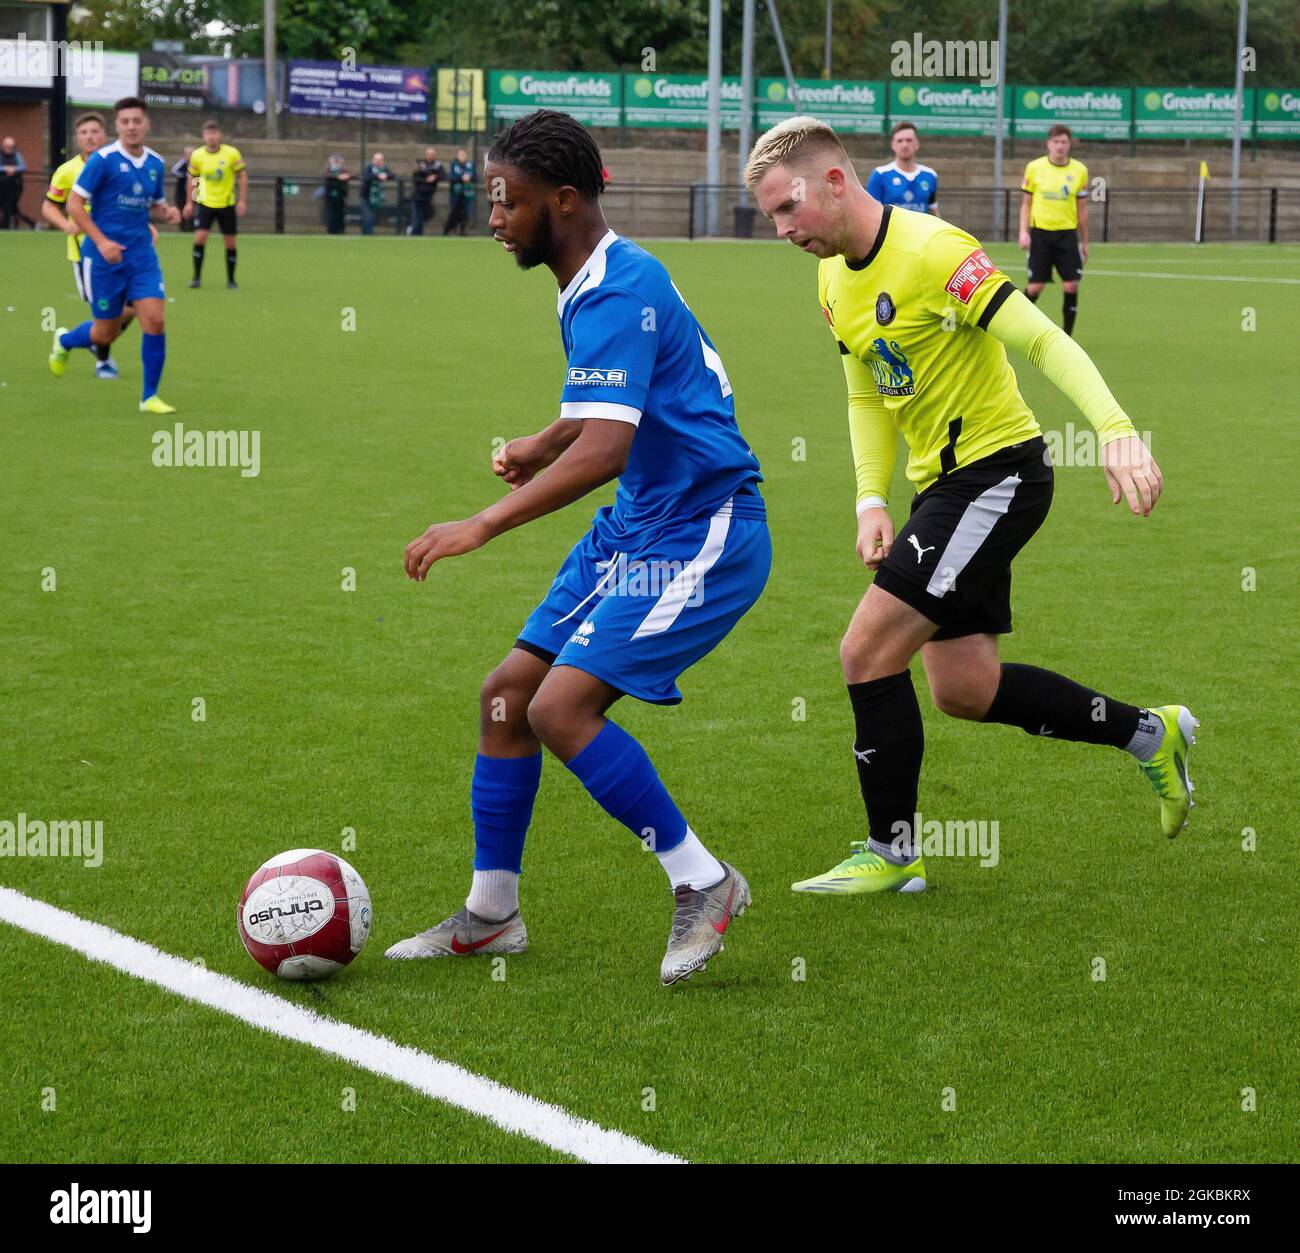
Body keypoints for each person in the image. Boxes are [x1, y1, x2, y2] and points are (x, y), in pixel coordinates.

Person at [744, 115, 1195, 896]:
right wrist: (870, 498)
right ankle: (1152, 735)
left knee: (864, 650)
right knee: (966, 689)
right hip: (941, 486)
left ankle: (893, 854)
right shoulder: (831, 279)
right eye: (771, 215)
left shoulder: (934, 250)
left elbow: (1042, 339)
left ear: (835, 182)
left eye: (788, 207)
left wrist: (1117, 431)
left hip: (998, 474)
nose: (782, 229)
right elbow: (866, 390)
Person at [387, 110, 770, 986]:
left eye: (508, 201)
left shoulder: (617, 289)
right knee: (508, 698)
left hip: (702, 526)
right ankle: (492, 914)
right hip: (642, 522)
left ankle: (703, 880)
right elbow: (612, 407)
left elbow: (608, 449)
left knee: (559, 709)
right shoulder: (595, 277)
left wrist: (481, 524)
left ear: (563, 200)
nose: (494, 218)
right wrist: (544, 438)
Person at [48, 96, 182, 414]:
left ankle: (149, 397)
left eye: (137, 121)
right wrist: (102, 241)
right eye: (125, 122)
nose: (131, 127)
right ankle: (65, 340)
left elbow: (154, 205)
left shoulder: (154, 163)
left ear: (146, 124)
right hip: (103, 258)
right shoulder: (103, 160)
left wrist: (167, 213)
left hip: (141, 257)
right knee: (105, 333)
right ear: (117, 126)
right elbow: (74, 206)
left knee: (155, 320)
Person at [42, 111, 142, 379]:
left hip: (122, 250)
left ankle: (72, 340)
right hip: (86, 255)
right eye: (84, 132)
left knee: (132, 308)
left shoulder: (120, 165)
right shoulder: (67, 171)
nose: (90, 137)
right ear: (77, 138)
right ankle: (103, 361)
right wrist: (65, 225)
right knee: (106, 315)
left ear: (105, 135)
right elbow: (49, 206)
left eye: (95, 131)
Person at [1020, 124, 1089, 336]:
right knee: (1035, 287)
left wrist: (1084, 241)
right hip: (1040, 234)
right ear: (1049, 144)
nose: (1060, 146)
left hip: (1067, 235)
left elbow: (1082, 209)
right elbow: (1026, 204)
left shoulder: (1080, 171)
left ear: (1070, 145)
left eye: (1064, 142)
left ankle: (1067, 336)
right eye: (1056, 141)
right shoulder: (1034, 168)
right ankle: (1015, 323)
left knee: (1071, 285)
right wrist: (1023, 232)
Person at [185, 120, 246, 288]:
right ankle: (196, 278)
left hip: (226, 204)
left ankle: (231, 280)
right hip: (205, 203)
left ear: (220, 135)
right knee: (200, 238)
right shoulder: (197, 155)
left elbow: (242, 176)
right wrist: (189, 203)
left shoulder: (232, 153)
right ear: (203, 136)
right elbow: (192, 179)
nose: (211, 137)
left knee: (230, 242)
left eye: (214, 134)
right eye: (208, 134)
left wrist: (241, 201)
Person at [866, 122, 938, 215]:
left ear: (917, 144)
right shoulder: (880, 174)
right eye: (900, 141)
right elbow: (872, 213)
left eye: (909, 140)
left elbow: (933, 210)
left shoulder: (930, 175)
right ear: (892, 145)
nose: (904, 145)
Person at [0, 136, 35, 228]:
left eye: (11, 147)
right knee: (11, 208)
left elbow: (23, 167)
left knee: (9, 206)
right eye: (7, 146)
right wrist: (5, 168)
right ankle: (31, 223)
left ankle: (5, 226)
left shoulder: (17, 155)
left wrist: (14, 169)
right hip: (2, 185)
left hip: (14, 186)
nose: (9, 149)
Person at [407, 146, 442, 235]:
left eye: (432, 154)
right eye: (429, 154)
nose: (431, 156)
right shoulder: (421, 165)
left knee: (428, 214)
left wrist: (435, 176)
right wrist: (417, 171)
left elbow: (443, 175)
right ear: (426, 155)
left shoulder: (437, 165)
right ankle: (414, 232)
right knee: (417, 216)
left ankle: (414, 230)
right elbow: (415, 178)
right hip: (418, 194)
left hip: (428, 195)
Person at [442, 148, 473, 236]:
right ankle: (448, 230)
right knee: (454, 214)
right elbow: (450, 177)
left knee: (466, 214)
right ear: (457, 156)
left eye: (464, 155)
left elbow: (475, 177)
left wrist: (469, 178)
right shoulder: (454, 165)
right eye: (461, 155)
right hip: (455, 194)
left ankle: (462, 231)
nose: (463, 157)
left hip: (467, 194)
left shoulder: (470, 165)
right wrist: (461, 178)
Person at [360, 152, 390, 235]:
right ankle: (368, 234)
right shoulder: (369, 168)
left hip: (376, 197)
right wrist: (378, 176)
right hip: (366, 196)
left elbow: (392, 175)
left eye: (380, 160)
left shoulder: (384, 169)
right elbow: (367, 176)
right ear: (373, 160)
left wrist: (386, 175)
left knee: (371, 217)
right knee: (367, 216)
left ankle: (367, 233)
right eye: (376, 160)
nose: (378, 162)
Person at [323, 155, 350, 234]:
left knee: (340, 215)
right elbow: (327, 176)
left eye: (337, 161)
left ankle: (340, 230)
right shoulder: (328, 170)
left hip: (340, 197)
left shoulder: (343, 171)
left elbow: (347, 180)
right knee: (331, 215)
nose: (336, 163)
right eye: (334, 161)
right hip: (330, 197)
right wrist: (338, 177)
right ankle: (331, 231)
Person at [172, 145, 194, 231]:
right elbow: (174, 170)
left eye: (191, 153)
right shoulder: (182, 163)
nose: (189, 156)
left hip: (194, 191)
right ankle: (183, 227)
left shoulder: (197, 163)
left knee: (194, 208)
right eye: (188, 154)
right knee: (181, 207)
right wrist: (185, 175)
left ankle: (193, 227)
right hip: (181, 191)